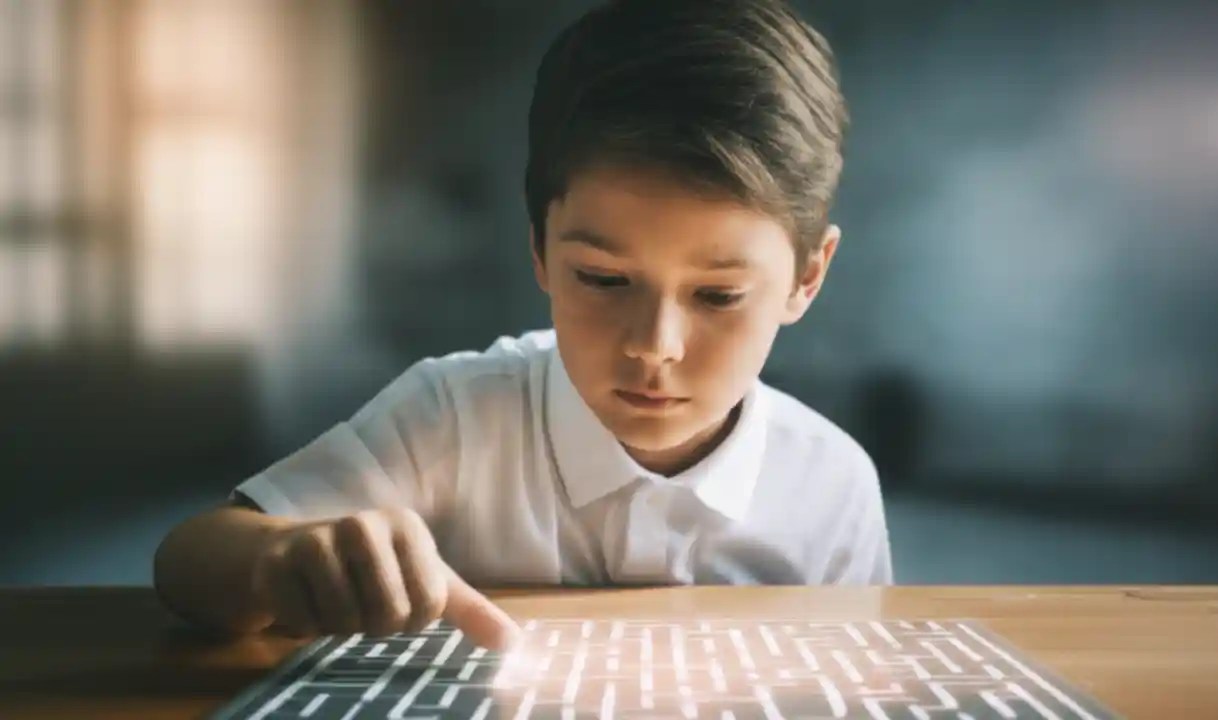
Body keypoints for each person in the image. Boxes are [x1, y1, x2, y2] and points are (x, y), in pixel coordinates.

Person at [153, 0, 892, 651]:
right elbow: (192, 558)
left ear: (807, 276)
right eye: (603, 280)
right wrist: (277, 562)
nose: (653, 346)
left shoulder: (832, 484)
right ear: (539, 247)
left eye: (719, 296)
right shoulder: (454, 418)